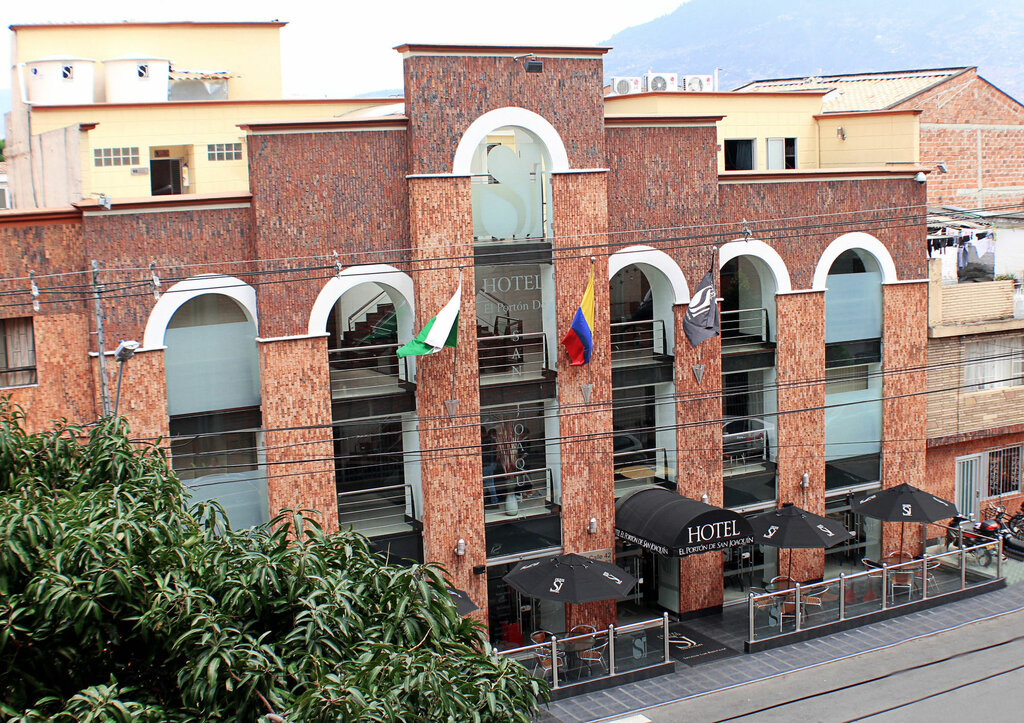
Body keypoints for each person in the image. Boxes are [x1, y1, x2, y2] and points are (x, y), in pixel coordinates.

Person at [481, 427, 500, 507]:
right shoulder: (491, 440)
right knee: (488, 483)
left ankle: (493, 501)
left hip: (487, 464)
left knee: (488, 483)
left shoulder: (484, 441)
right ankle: (491, 500)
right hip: (491, 463)